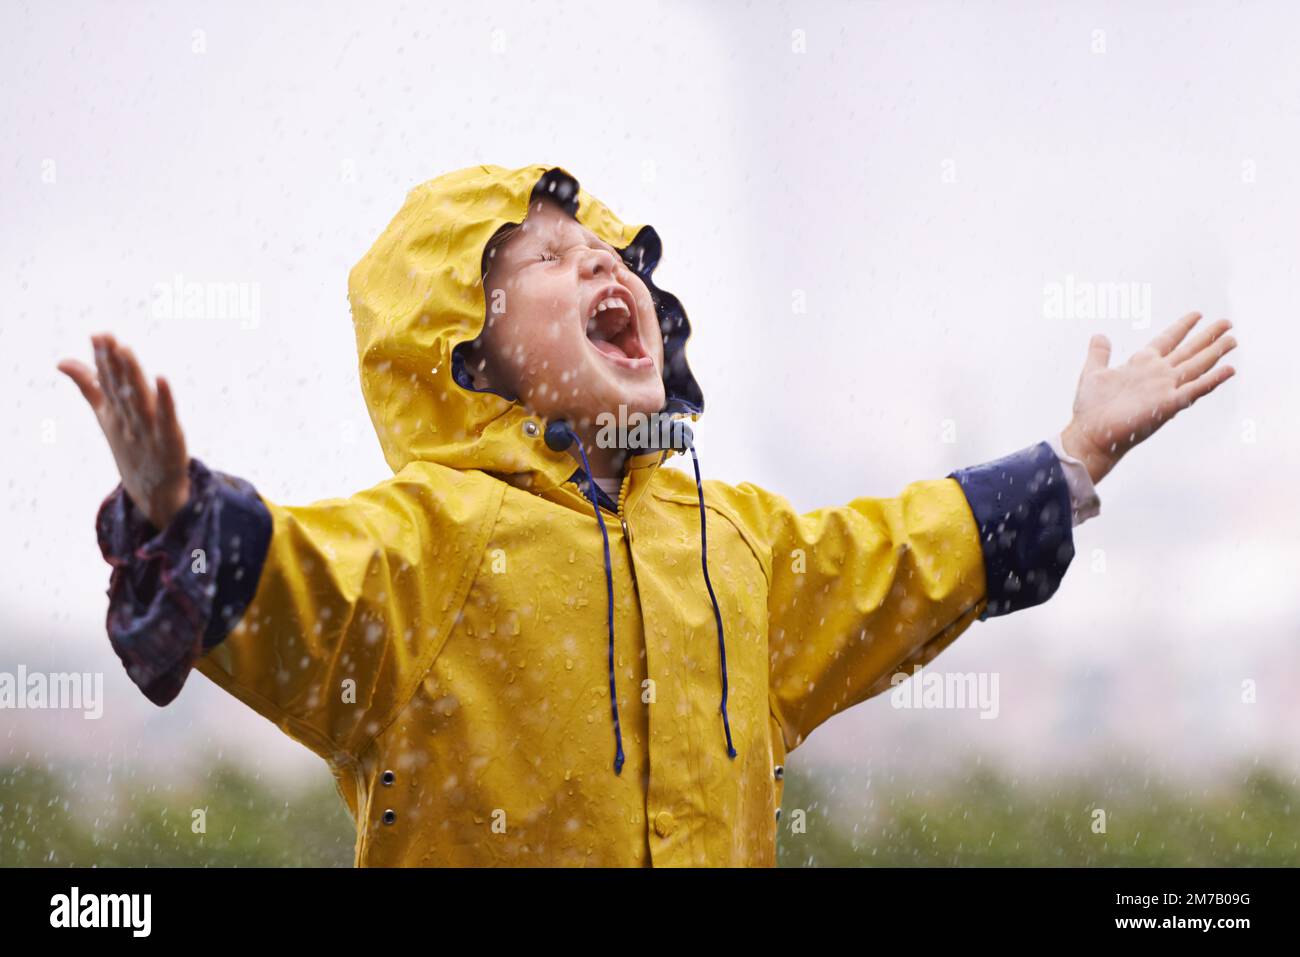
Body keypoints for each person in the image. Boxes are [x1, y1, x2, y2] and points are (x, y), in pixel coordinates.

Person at [57, 163, 1237, 866]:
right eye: (552, 259)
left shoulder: (735, 545)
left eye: (612, 253)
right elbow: (292, 583)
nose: (604, 266)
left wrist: (1074, 456)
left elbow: (897, 556)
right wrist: (175, 513)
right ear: (461, 352)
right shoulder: (429, 545)